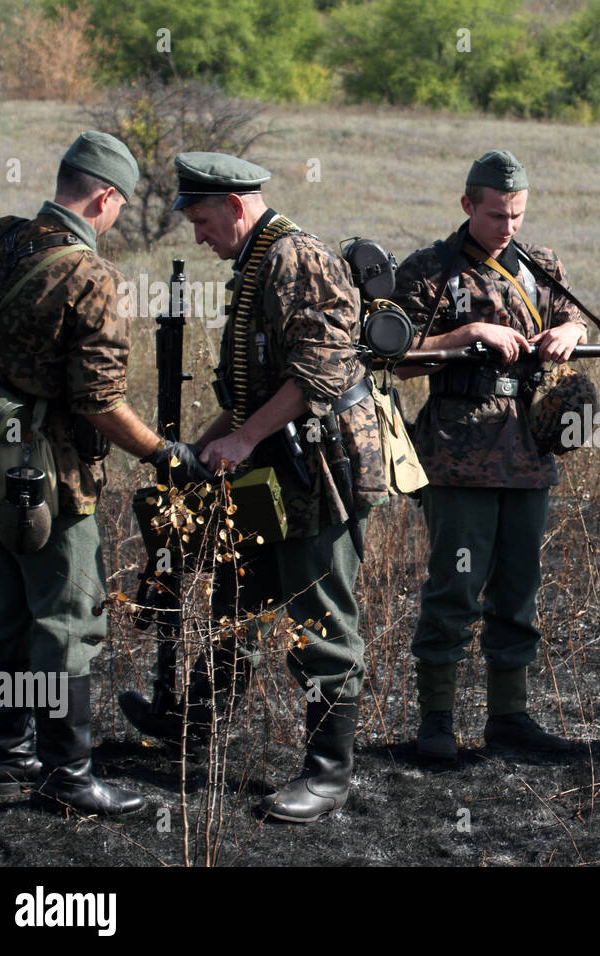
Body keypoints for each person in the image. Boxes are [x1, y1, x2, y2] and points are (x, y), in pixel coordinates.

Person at [118, 151, 388, 823]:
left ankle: (328, 776)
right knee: (240, 593)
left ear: (237, 207)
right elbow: (255, 385)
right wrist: (209, 443)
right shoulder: (257, 261)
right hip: (277, 463)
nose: (198, 235)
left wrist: (239, 440)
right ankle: (196, 727)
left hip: (318, 470)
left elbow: (320, 372)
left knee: (320, 615)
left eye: (204, 220)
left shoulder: (295, 257)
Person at [0, 131, 213, 816]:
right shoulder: (90, 277)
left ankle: (5, 764)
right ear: (105, 195)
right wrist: (165, 453)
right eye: (118, 205)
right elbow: (100, 401)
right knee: (67, 623)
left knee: (2, 618)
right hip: (55, 482)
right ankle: (67, 776)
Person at [389, 150, 586, 760]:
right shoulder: (429, 269)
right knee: (454, 590)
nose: (509, 227)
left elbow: (573, 315)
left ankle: (509, 719)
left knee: (518, 593)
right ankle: (437, 724)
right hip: (457, 455)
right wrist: (469, 334)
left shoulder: (540, 266)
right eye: (498, 214)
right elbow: (395, 354)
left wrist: (570, 334)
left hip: (529, 453)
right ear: (468, 204)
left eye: (518, 215)